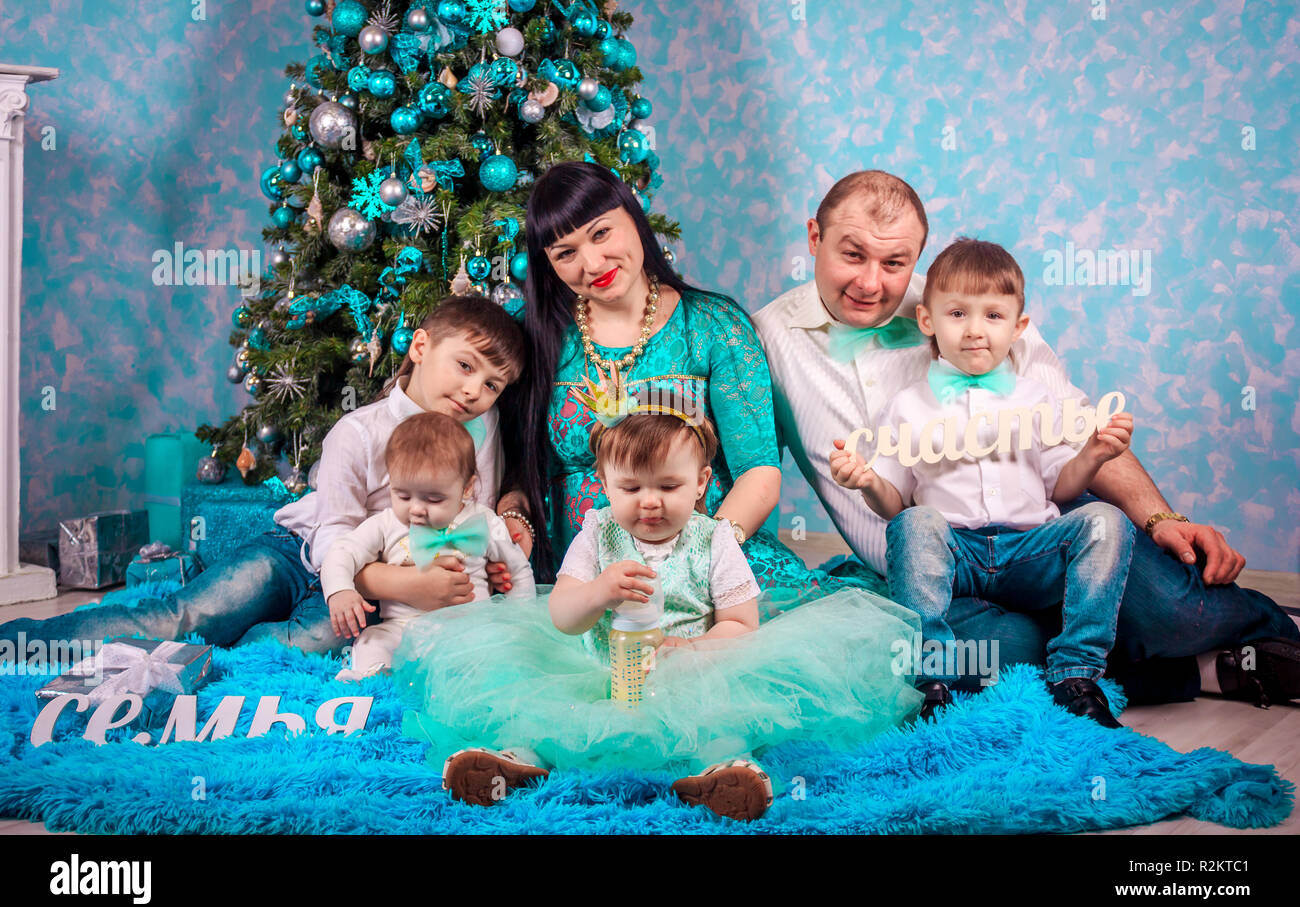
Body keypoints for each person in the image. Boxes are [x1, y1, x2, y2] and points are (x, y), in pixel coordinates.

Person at [754, 170, 1300, 706]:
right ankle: (1173, 671)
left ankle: (1264, 632)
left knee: (1173, 612)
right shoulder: (764, 338)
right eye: (853, 255)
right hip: (932, 574)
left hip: (1036, 535)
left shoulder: (975, 304)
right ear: (814, 237)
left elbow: (1080, 427)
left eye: (894, 263)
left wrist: (1162, 519)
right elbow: (749, 467)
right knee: (967, 656)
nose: (871, 282)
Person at [394, 399, 922, 822]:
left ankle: (726, 772)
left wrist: (690, 650)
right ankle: (513, 761)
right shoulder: (597, 533)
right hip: (596, 668)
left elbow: (742, 624)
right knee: (542, 711)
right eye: (631, 487)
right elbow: (562, 615)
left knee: (720, 716)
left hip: (694, 668)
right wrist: (599, 591)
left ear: (701, 483)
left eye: (668, 486)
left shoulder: (713, 539)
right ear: (604, 485)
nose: (649, 502)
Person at [0, 295, 527, 653]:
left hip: (380, 584)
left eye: (492, 385)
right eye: (464, 366)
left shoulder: (482, 430)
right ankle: (24, 643)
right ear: (420, 346)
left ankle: (233, 652)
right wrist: (403, 583)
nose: (473, 392)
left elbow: (468, 514)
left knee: (309, 645)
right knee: (192, 616)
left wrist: (486, 564)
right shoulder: (360, 432)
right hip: (302, 550)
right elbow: (335, 533)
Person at [490, 159, 891, 618]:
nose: (592, 263)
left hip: (713, 558)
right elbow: (519, 475)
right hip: (586, 578)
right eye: (566, 253)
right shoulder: (533, 337)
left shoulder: (712, 325)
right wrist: (515, 519)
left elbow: (759, 473)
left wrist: (699, 559)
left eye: (602, 234)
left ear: (634, 220)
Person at [830, 238, 1137, 725]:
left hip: (1030, 549)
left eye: (993, 316)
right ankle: (931, 680)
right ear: (928, 321)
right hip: (958, 554)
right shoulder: (908, 405)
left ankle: (1075, 672)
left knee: (1105, 520)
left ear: (1019, 327)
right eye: (957, 314)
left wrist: (1095, 453)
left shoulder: (1038, 399)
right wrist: (866, 480)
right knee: (915, 523)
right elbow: (894, 506)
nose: (975, 331)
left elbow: (1061, 490)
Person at [323, 412, 534, 681]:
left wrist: (520, 620)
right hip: (402, 628)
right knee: (371, 642)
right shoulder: (386, 523)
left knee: (494, 651)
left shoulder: (483, 522)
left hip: (468, 629)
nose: (416, 509)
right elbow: (342, 551)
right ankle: (373, 681)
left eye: (434, 499)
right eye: (402, 495)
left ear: (467, 488)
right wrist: (340, 590)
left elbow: (518, 571)